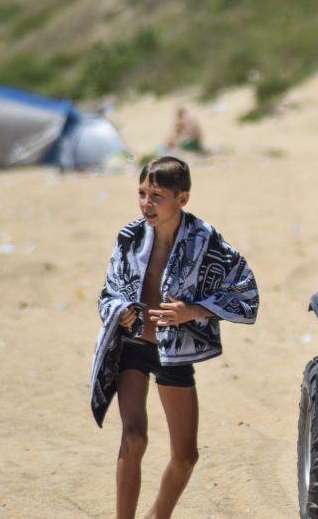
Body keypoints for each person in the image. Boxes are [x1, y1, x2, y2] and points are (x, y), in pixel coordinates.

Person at [89, 156, 259, 519]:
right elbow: (109, 292)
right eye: (141, 193)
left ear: (182, 197)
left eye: (156, 195)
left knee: (185, 457)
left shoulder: (206, 240)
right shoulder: (129, 236)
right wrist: (121, 310)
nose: (146, 204)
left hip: (176, 351)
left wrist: (193, 311)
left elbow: (246, 291)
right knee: (133, 438)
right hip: (134, 344)